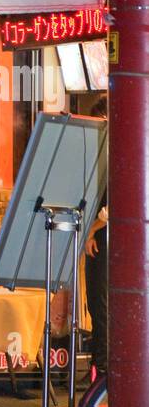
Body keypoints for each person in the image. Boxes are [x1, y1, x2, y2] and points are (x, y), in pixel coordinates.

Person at [84, 101, 108, 378]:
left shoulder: (116, 149)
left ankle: (102, 366)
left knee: (100, 301)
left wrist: (92, 230)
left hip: (105, 236)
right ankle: (98, 362)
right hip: (98, 232)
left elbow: (115, 205)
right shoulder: (101, 151)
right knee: (95, 300)